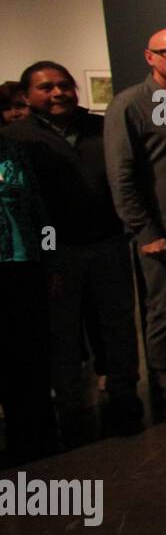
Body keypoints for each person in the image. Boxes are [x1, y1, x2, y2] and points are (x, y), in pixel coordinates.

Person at [3, 61, 142, 443]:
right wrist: (49, 258)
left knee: (117, 325)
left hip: (108, 243)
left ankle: (124, 395)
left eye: (64, 85)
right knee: (63, 332)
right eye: (46, 87)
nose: (58, 92)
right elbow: (27, 206)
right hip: (58, 251)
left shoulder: (100, 127)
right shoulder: (17, 138)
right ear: (28, 95)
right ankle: (72, 408)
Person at [104, 28, 166, 427]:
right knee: (163, 313)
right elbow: (121, 177)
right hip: (159, 234)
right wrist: (144, 233)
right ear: (150, 57)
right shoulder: (129, 104)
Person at [0, 134, 58, 464]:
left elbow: (38, 209)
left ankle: (36, 437)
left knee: (30, 354)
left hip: (24, 265)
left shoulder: (13, 149)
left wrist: (50, 261)